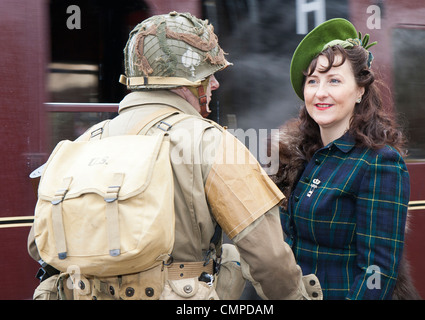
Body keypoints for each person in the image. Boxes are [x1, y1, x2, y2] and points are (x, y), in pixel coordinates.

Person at [28, 11, 322, 300]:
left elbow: (38, 245)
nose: (216, 84)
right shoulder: (213, 142)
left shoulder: (84, 142)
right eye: (208, 76)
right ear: (187, 84)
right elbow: (269, 258)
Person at [271, 18, 420, 299]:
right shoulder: (303, 156)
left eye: (334, 80)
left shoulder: (379, 163)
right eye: (312, 81)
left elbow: (378, 272)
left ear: (360, 90)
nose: (320, 92)